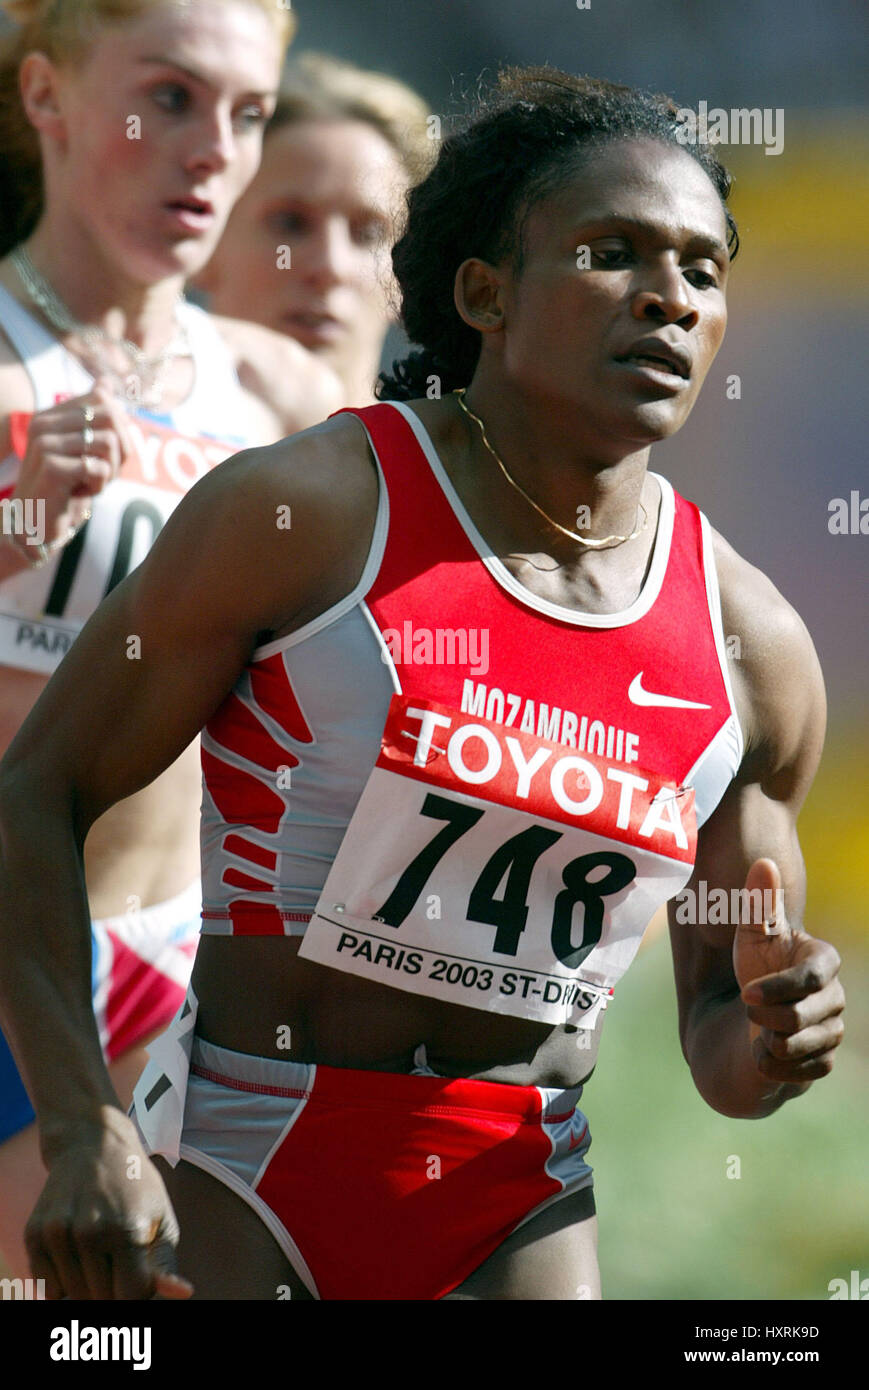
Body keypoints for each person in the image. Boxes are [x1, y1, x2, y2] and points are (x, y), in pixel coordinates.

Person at [0, 67, 845, 1301]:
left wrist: (778, 1037)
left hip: (518, 1188)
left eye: (702, 273)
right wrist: (85, 1125)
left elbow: (723, 1040)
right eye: (612, 254)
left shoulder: (752, 647)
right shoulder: (307, 510)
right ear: (482, 291)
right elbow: (34, 792)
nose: (667, 299)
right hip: (245, 1156)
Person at [0, 0, 341, 1277]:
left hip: (191, 976)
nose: (211, 151)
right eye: (172, 99)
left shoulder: (279, 397)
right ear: (50, 96)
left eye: (248, 113)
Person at [197, 52, 433, 406]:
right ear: (205, 238)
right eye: (290, 223)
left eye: (369, 234)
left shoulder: (461, 459)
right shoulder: (118, 439)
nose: (330, 267)